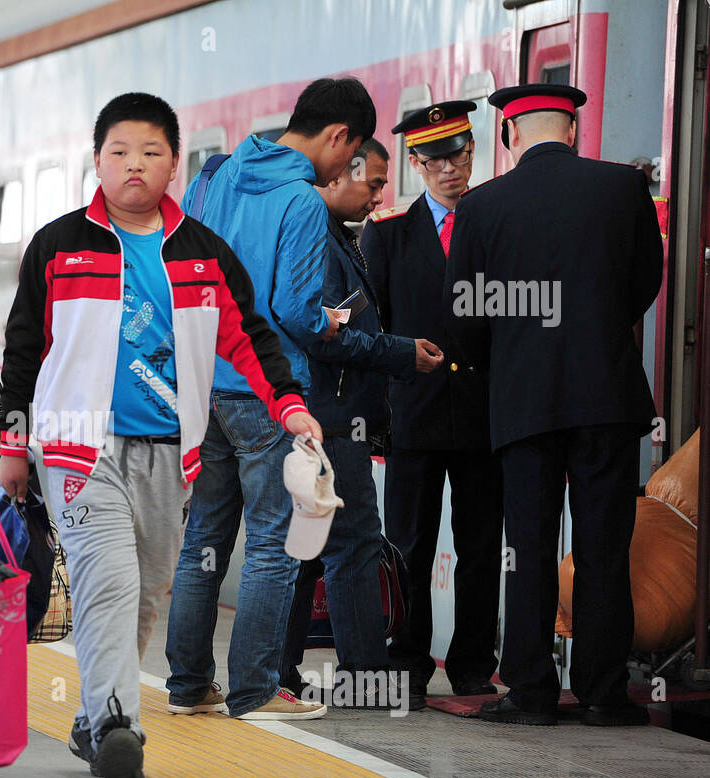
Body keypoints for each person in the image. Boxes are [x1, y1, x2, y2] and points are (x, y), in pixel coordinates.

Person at [0, 91, 322, 778]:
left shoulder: (204, 255)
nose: (133, 166)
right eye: (118, 152)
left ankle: (93, 715)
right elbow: (23, 349)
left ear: (176, 162)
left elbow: (251, 337)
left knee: (146, 587)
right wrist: (12, 439)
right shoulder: (59, 245)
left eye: (150, 152)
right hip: (78, 447)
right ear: (96, 161)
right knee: (107, 577)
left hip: (171, 453)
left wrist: (290, 405)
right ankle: (118, 721)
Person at [444, 84, 663, 727]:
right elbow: (644, 282)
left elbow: (467, 313)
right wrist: (594, 330)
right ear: (572, 130)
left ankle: (532, 692)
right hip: (607, 397)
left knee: (529, 545)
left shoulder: (481, 206)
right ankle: (602, 692)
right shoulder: (624, 190)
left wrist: (510, 360)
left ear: (509, 137)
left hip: (524, 401)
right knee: (604, 545)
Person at [163, 77, 372, 722]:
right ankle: (254, 691)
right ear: (337, 136)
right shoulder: (303, 202)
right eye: (354, 154)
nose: (349, 168)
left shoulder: (216, 176)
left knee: (204, 536)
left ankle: (188, 686)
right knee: (274, 543)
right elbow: (294, 311)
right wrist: (335, 324)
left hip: (207, 386)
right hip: (267, 388)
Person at [281, 137, 443, 707]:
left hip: (323, 415)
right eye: (373, 183)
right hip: (330, 416)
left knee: (305, 547)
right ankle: (367, 680)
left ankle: (280, 670)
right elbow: (323, 334)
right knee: (352, 544)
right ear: (335, 177)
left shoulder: (332, 237)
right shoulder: (322, 242)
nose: (380, 196)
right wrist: (400, 352)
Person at [361, 100, 503, 708]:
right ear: (416, 165)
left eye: (461, 154)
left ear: (473, 152)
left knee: (479, 547)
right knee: (408, 547)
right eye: (436, 159)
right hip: (412, 417)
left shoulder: (496, 224)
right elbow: (373, 331)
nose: (452, 169)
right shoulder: (387, 235)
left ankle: (473, 664)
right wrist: (377, 419)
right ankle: (408, 662)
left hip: (484, 416)